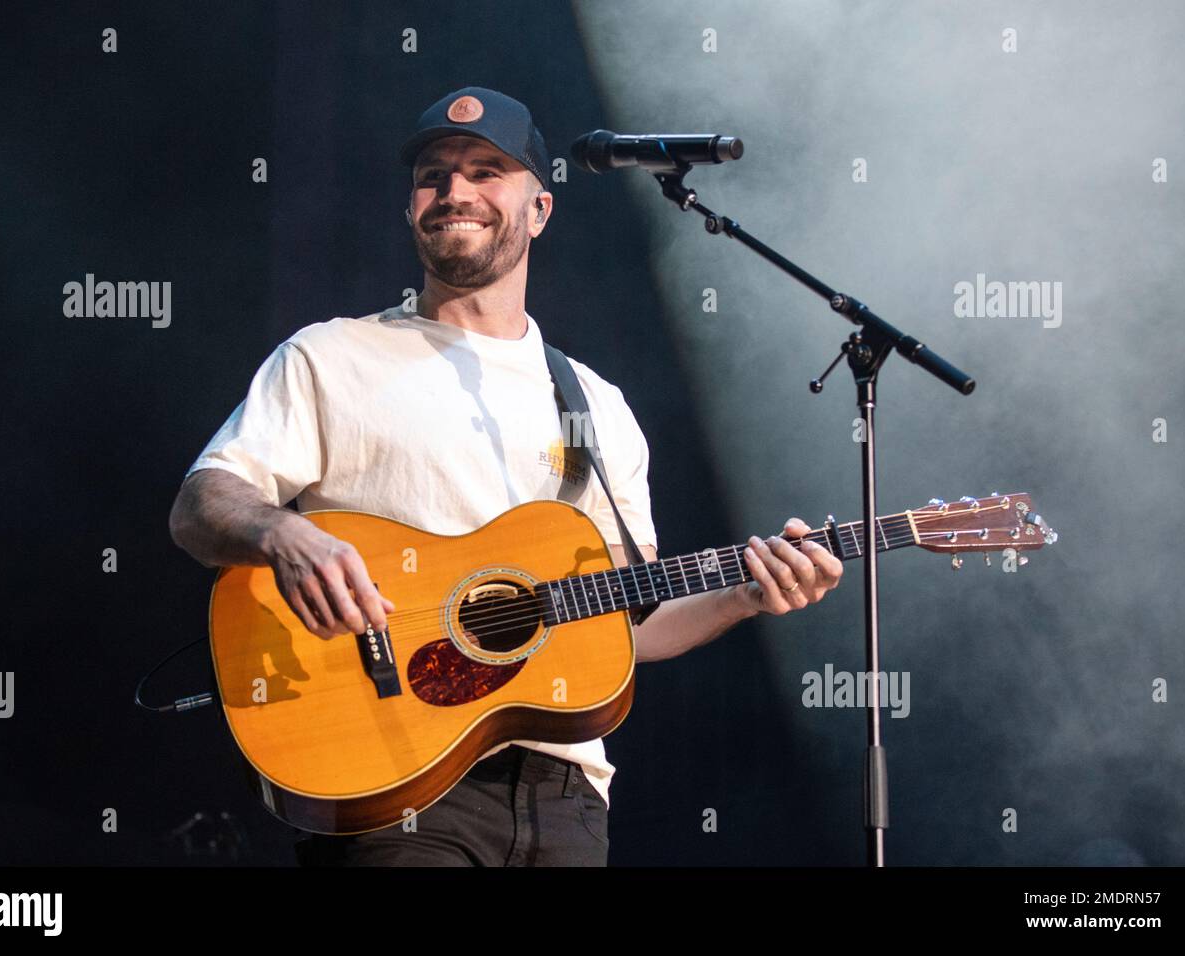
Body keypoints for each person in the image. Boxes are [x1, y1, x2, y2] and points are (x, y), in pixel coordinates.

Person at [167, 86, 843, 867]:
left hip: (567, 801)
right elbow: (199, 505)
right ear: (410, 206)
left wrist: (748, 592)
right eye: (434, 175)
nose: (456, 191)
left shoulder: (596, 404)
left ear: (539, 209)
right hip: (394, 784)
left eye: (487, 171)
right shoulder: (331, 356)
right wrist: (279, 530)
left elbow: (632, 621)